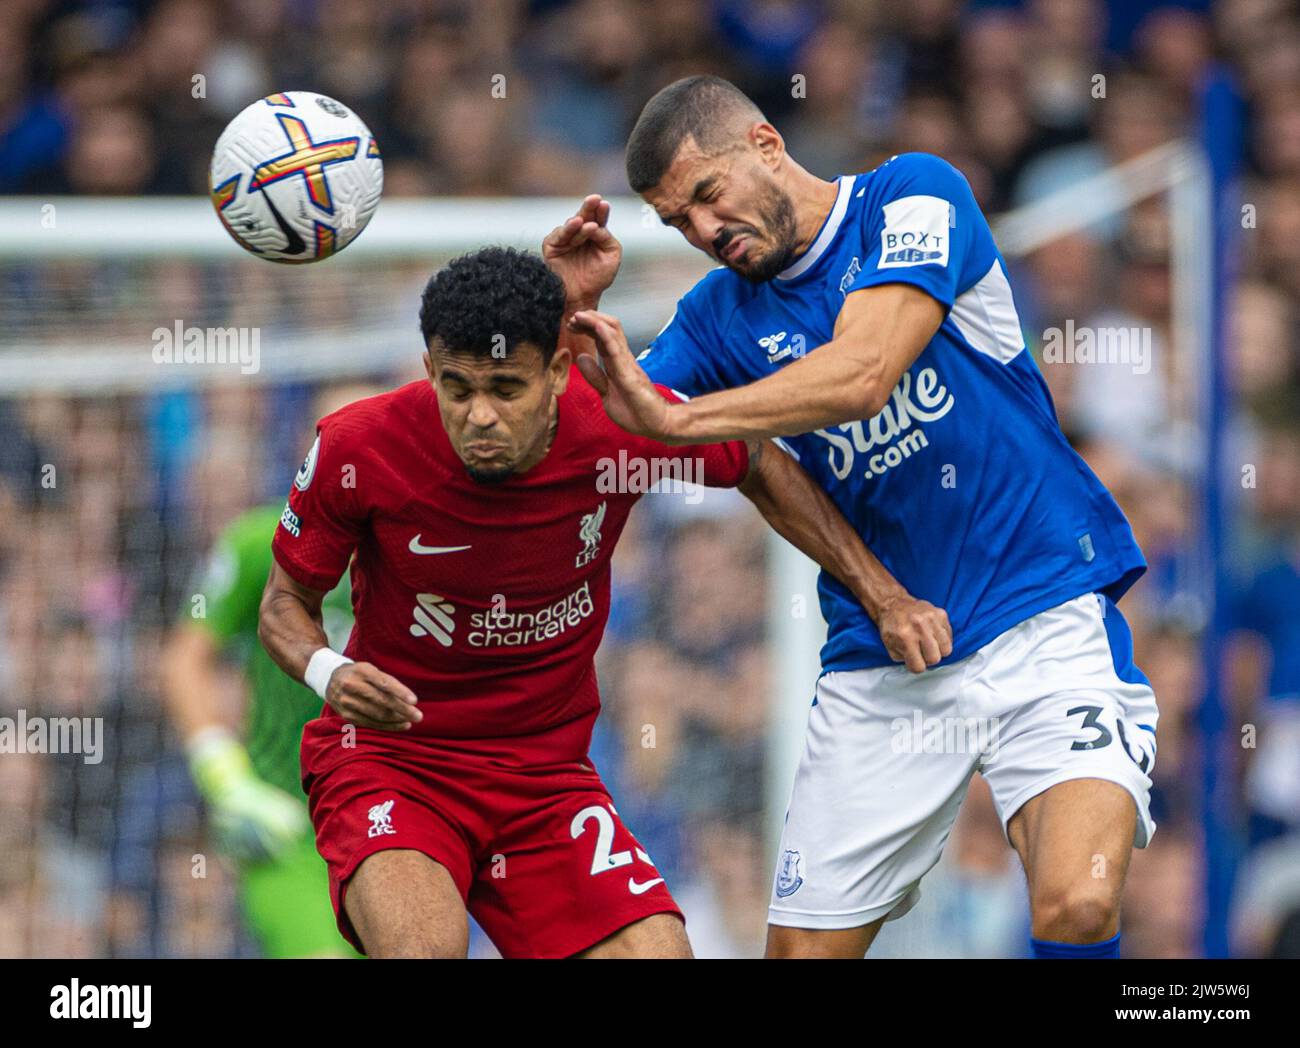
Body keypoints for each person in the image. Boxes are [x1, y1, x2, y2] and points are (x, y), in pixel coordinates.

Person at [557, 74, 1158, 960]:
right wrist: (565, 314)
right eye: (677, 223)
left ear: (766, 143)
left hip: (1044, 609)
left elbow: (864, 372)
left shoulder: (913, 195)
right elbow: (593, 433)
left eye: (708, 196)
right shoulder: (714, 319)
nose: (704, 232)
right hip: (885, 665)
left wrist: (683, 418)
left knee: (1077, 901)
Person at [256, 246, 947, 958]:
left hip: (544, 779)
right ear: (430, 370)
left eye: (506, 387)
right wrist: (328, 672)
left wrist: (885, 596)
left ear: (557, 372)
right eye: (457, 388)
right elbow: (284, 604)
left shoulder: (618, 424)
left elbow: (759, 460)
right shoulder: (357, 446)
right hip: (393, 763)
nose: (479, 416)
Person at [161, 383, 376, 959]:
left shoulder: (429, 552)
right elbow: (185, 658)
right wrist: (226, 780)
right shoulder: (260, 543)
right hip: (288, 825)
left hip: (395, 819)